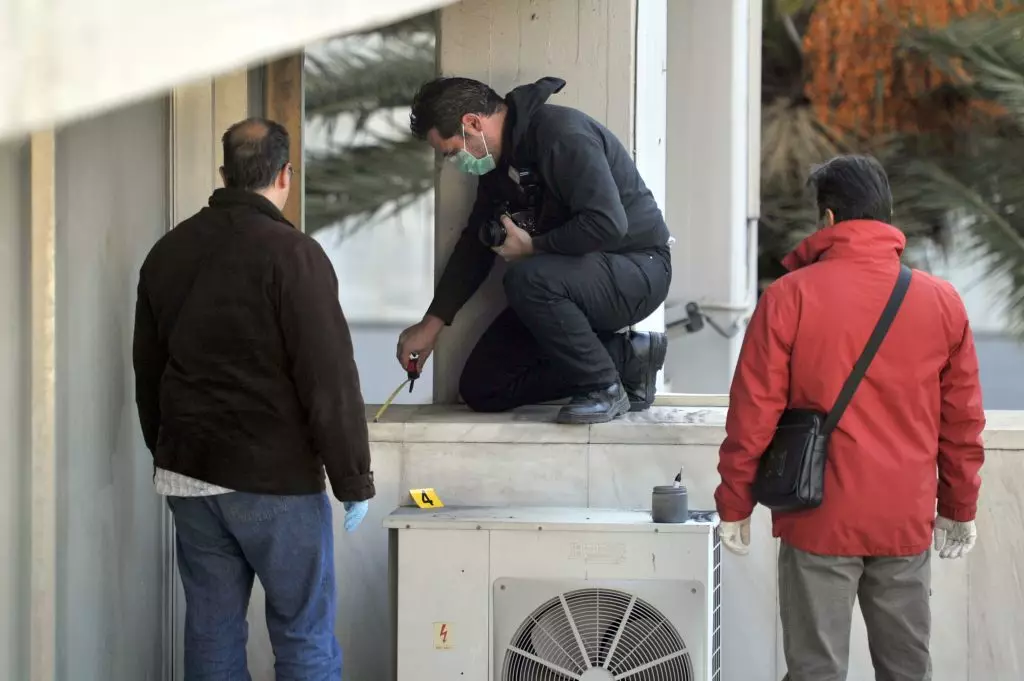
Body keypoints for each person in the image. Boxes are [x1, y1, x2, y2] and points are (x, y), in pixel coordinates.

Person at [714, 155, 985, 680]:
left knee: (815, 670)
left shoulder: (789, 296)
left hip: (818, 514)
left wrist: (735, 503)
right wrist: (959, 506)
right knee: (907, 670)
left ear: (830, 220)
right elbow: (962, 421)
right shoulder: (942, 301)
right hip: (903, 517)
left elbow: (753, 413)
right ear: (888, 218)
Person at [133, 118, 374, 680]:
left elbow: (149, 371)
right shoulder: (293, 254)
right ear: (287, 175)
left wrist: (167, 451)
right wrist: (353, 479)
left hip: (189, 478)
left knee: (212, 631)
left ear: (224, 175)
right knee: (303, 634)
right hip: (275, 481)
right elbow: (329, 375)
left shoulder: (166, 253)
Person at [397, 76, 672, 424]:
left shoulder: (561, 135)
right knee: (485, 386)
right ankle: (626, 359)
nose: (455, 162)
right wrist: (431, 324)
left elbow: (607, 224)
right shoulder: (498, 165)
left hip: (638, 268)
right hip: (564, 280)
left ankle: (602, 387)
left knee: (527, 278)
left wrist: (534, 247)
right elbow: (474, 246)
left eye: (452, 152)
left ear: (472, 123)